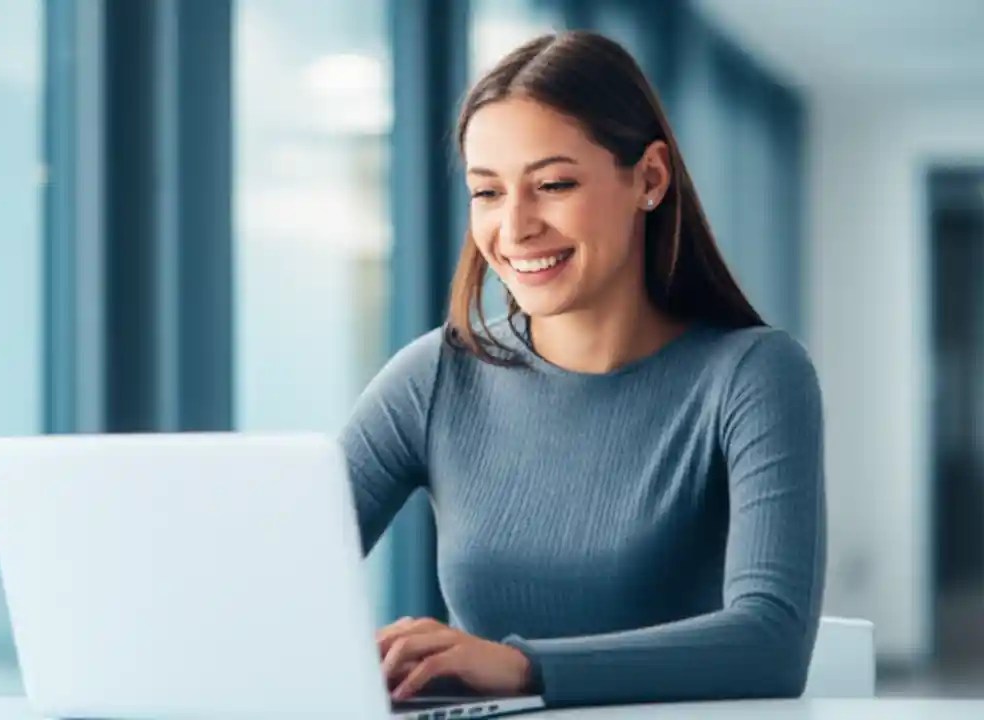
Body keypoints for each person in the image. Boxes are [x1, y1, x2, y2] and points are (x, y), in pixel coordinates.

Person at [340, 30, 825, 709]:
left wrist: (519, 666)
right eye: (487, 193)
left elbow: (771, 642)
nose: (515, 228)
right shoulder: (434, 377)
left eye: (553, 184)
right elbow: (277, 573)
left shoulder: (754, 376)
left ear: (649, 179)